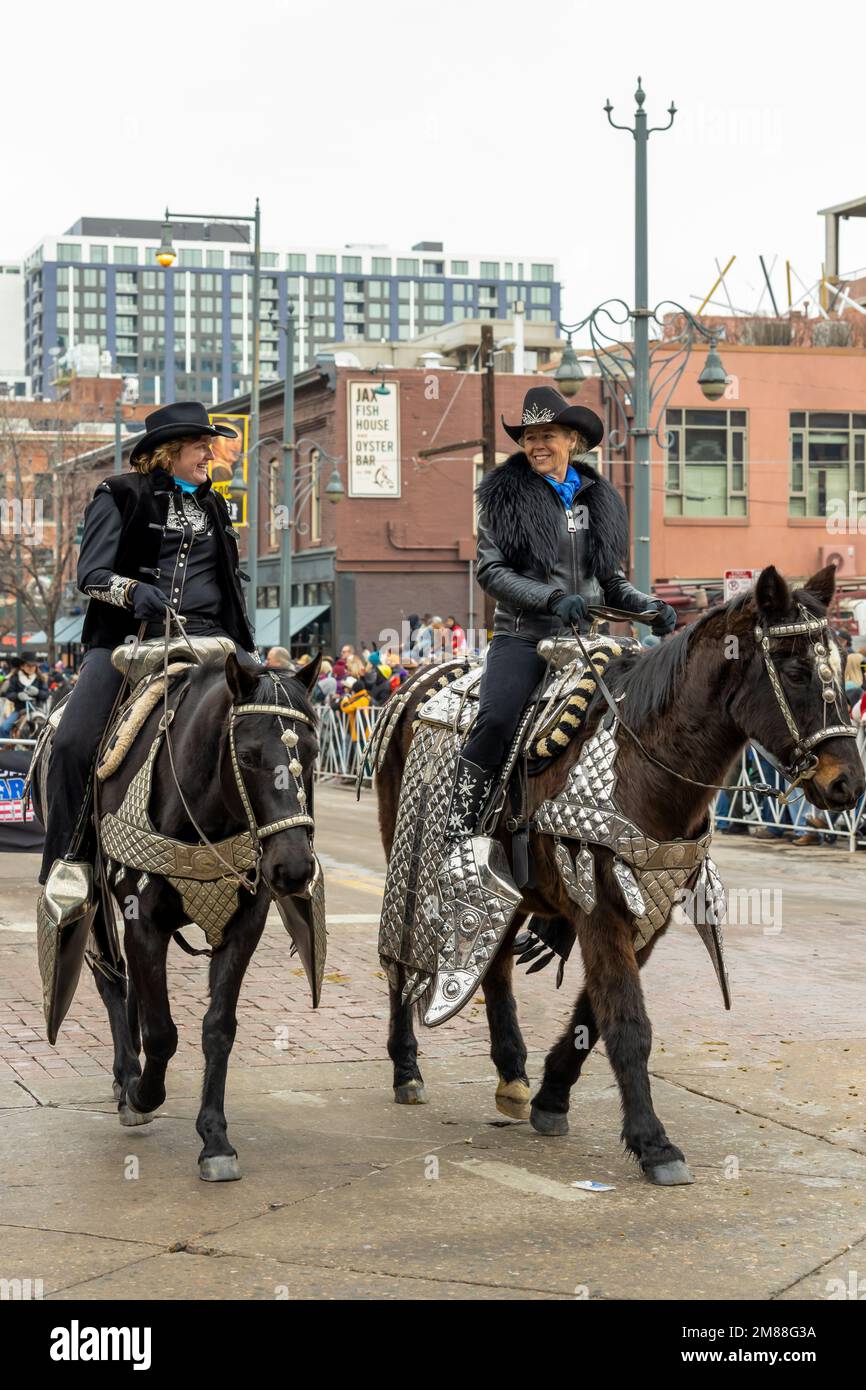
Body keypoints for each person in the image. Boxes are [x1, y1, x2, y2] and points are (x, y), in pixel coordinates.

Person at [38, 400, 257, 899]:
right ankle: (68, 862)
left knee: (278, 719)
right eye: (202, 445)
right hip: (127, 640)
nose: (210, 453)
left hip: (209, 639)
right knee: (73, 743)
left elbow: (228, 584)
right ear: (168, 451)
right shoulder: (118, 494)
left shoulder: (215, 506)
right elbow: (89, 576)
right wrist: (134, 591)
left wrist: (245, 648)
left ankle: (286, 854)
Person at [443, 386, 676, 839]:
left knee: (644, 715)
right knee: (496, 719)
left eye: (546, 435)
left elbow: (612, 581)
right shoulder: (504, 498)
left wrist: (649, 606)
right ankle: (461, 827)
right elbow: (491, 571)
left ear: (572, 440)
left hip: (588, 642)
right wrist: (550, 599)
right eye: (529, 437)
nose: (536, 446)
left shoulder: (600, 500)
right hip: (524, 638)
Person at [0, 653, 50, 739]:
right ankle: (7, 749)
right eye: (28, 665)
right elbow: (9, 694)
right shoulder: (15, 678)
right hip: (19, 710)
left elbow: (46, 694)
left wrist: (38, 692)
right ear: (22, 666)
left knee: (49, 729)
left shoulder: (40, 679)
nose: (31, 668)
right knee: (4, 728)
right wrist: (18, 695)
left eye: (33, 666)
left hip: (37, 709)